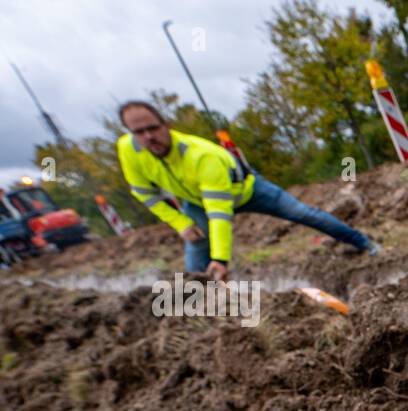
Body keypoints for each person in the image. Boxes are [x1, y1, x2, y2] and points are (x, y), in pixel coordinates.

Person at [115, 101, 380, 280]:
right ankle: (199, 307)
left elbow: (220, 215)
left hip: (248, 191)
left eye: (153, 128)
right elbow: (145, 194)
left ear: (166, 125)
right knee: (194, 247)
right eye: (140, 132)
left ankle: (364, 243)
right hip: (195, 202)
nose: (149, 137)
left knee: (304, 213)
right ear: (131, 134)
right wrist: (180, 222)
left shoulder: (201, 157)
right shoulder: (129, 150)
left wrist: (221, 259)